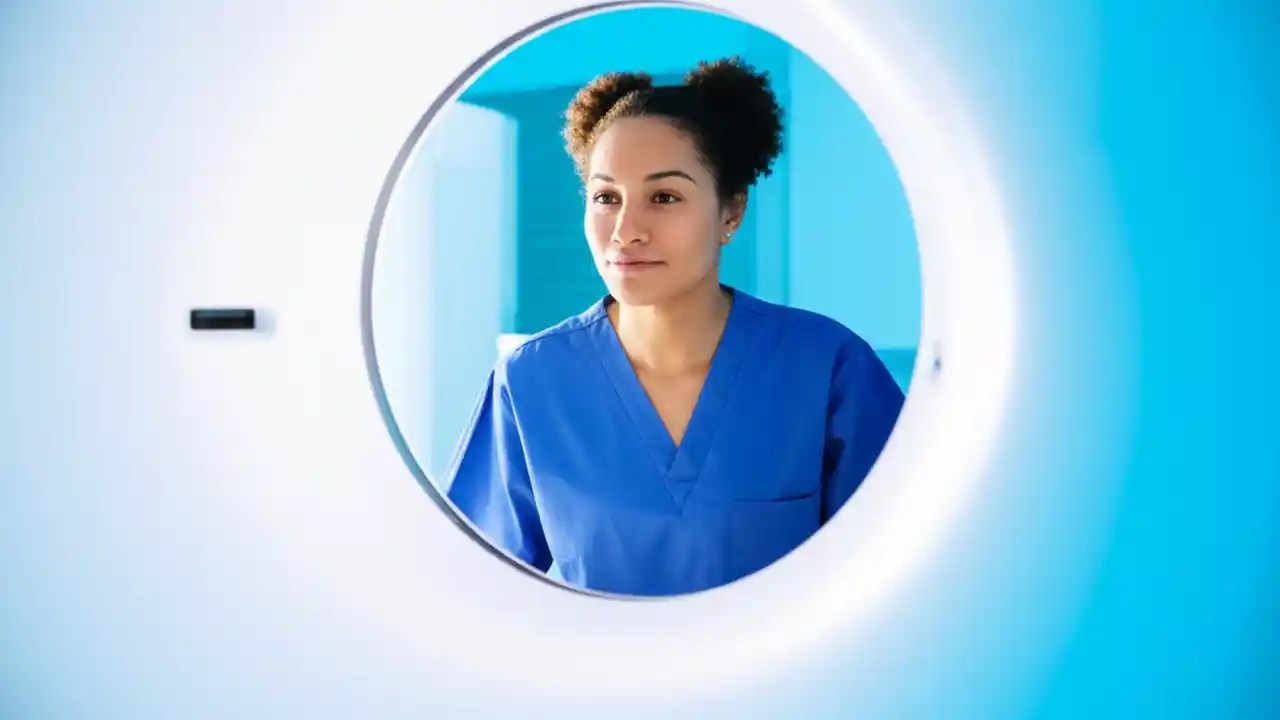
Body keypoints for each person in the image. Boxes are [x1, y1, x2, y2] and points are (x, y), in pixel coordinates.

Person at [443, 57, 905, 596]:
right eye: (605, 197)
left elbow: (899, 574)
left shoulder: (826, 367)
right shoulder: (529, 383)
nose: (625, 231)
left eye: (664, 198)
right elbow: (469, 590)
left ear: (730, 212)